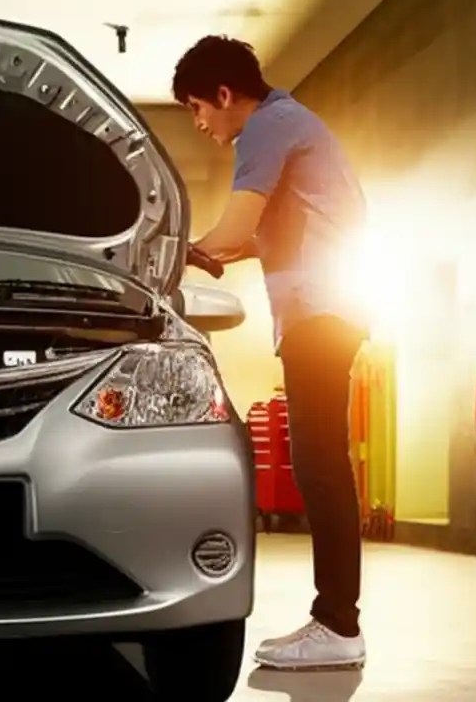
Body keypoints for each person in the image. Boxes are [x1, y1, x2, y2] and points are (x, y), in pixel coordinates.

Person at [172, 35, 370, 671]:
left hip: (320, 312)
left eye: (197, 108)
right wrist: (216, 252)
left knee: (320, 466)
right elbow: (258, 238)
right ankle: (334, 619)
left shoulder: (265, 128)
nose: (200, 124)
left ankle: (339, 624)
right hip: (324, 311)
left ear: (226, 95)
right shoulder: (291, 123)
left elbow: (232, 230)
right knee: (320, 463)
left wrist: (175, 255)